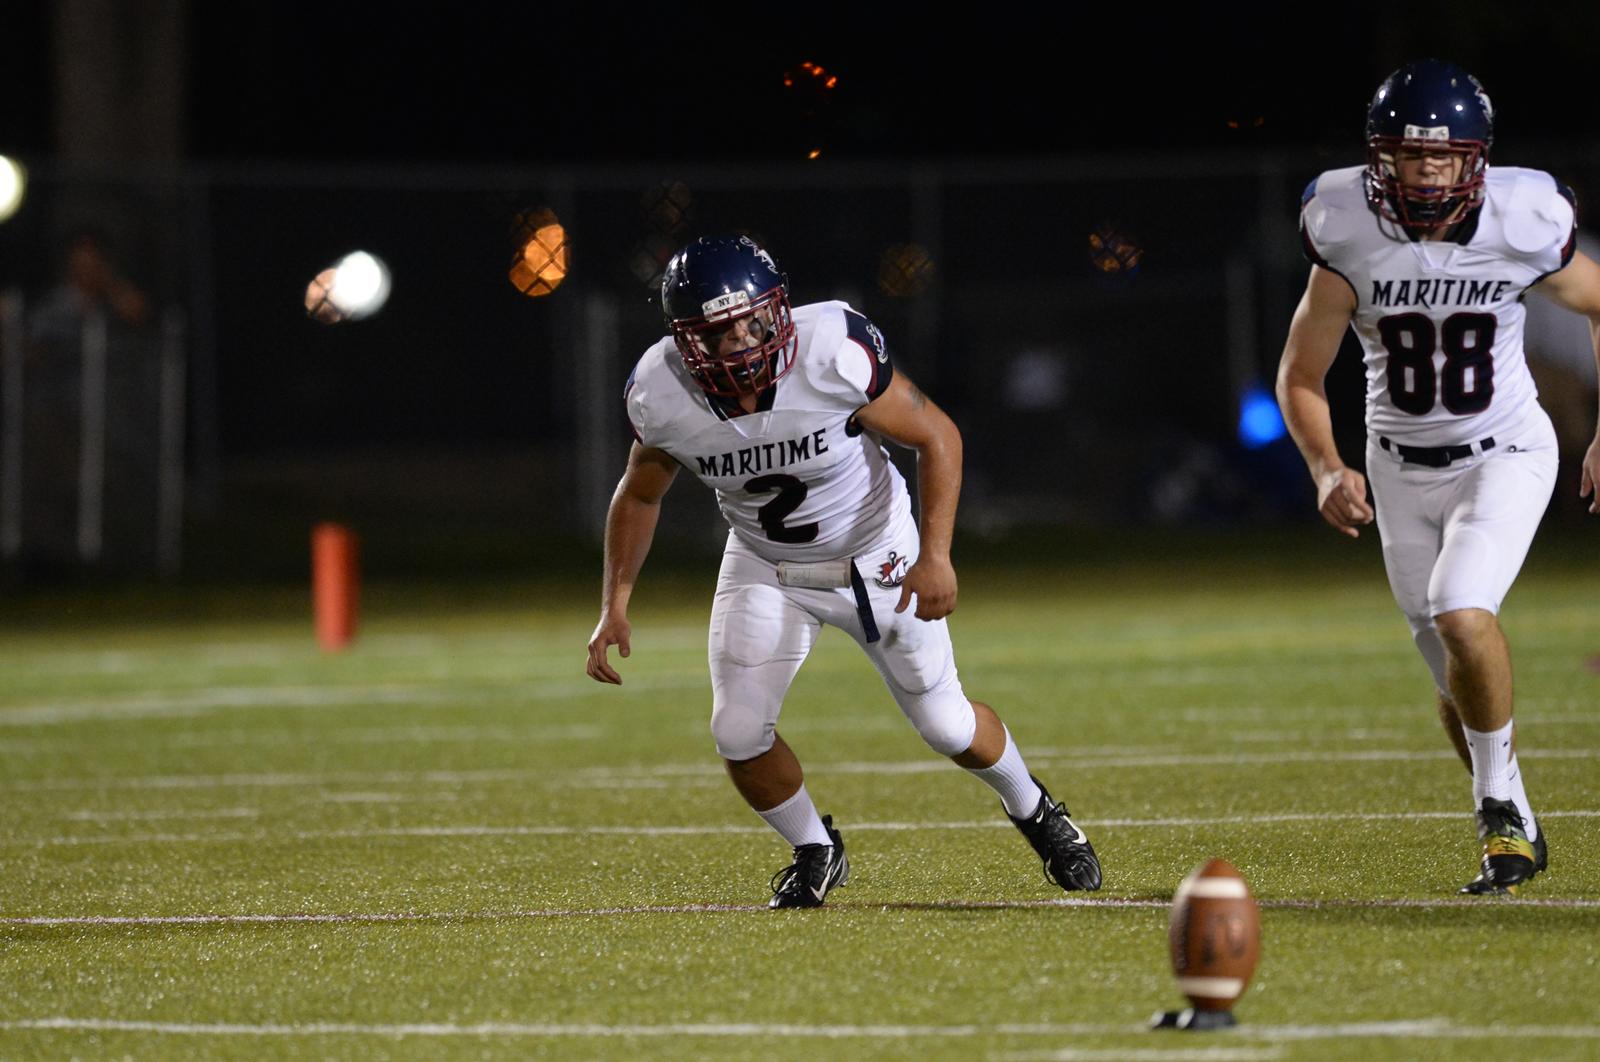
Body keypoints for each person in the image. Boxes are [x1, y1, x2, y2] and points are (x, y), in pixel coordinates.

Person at [585, 234, 1102, 908]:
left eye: (752, 322)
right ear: (685, 343)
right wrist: (615, 601)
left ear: (778, 310)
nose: (740, 345)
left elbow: (936, 435)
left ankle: (1034, 809)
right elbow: (641, 493)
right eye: (716, 335)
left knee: (946, 726)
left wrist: (936, 555)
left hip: (876, 556)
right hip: (765, 565)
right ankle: (814, 848)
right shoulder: (661, 392)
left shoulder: (831, 352)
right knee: (737, 731)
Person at [1277, 60, 1600, 895]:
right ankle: (1517, 824)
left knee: (1463, 612)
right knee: (1455, 679)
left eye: (1442, 158)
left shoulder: (1522, 219)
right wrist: (1324, 467)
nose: (1424, 175)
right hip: (1396, 472)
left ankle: (1494, 809)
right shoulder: (1344, 224)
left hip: (1506, 454)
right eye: (1406, 157)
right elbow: (1301, 375)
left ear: (1477, 160)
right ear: (1377, 160)